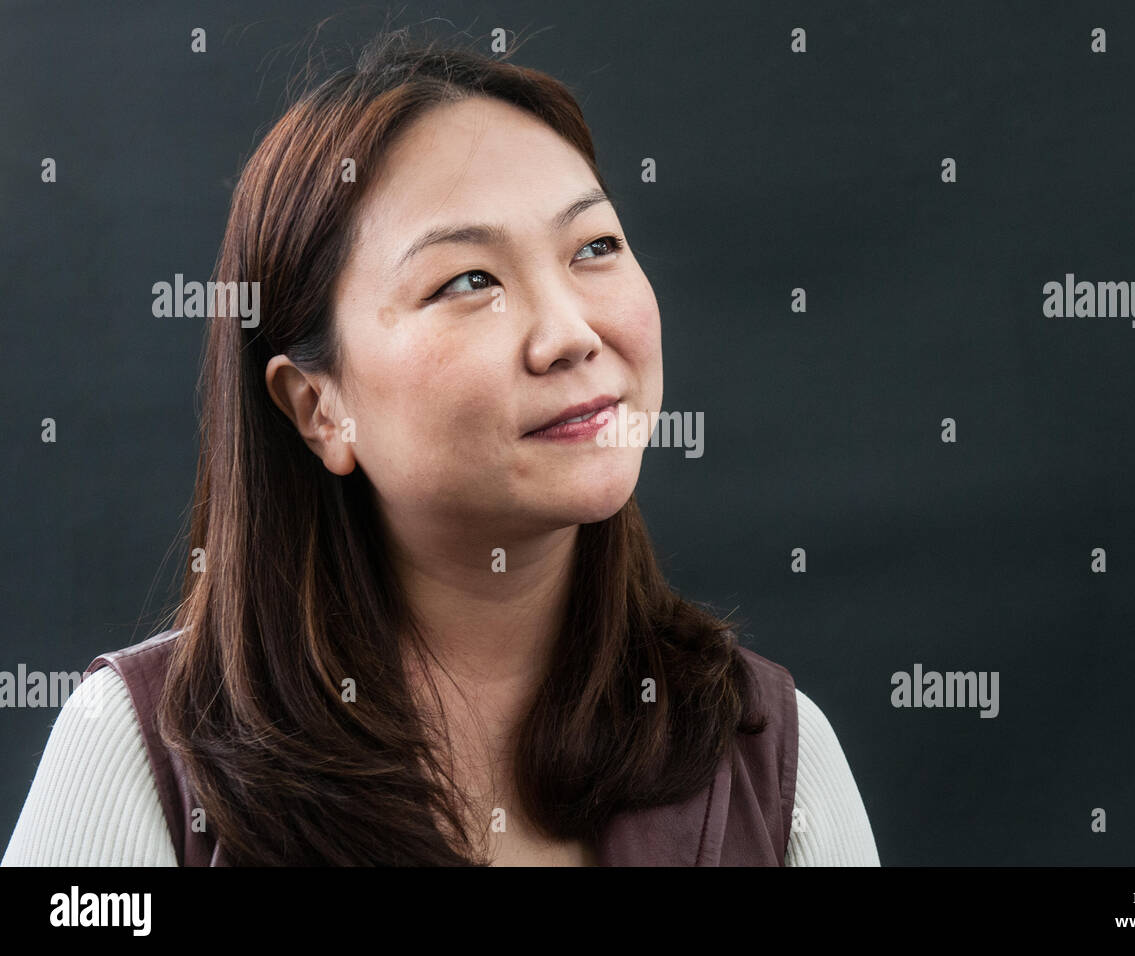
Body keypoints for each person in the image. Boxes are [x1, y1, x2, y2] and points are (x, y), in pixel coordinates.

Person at [2, 29, 880, 867]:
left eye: (596, 246)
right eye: (469, 280)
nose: (570, 334)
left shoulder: (773, 758)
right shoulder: (138, 753)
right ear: (317, 407)